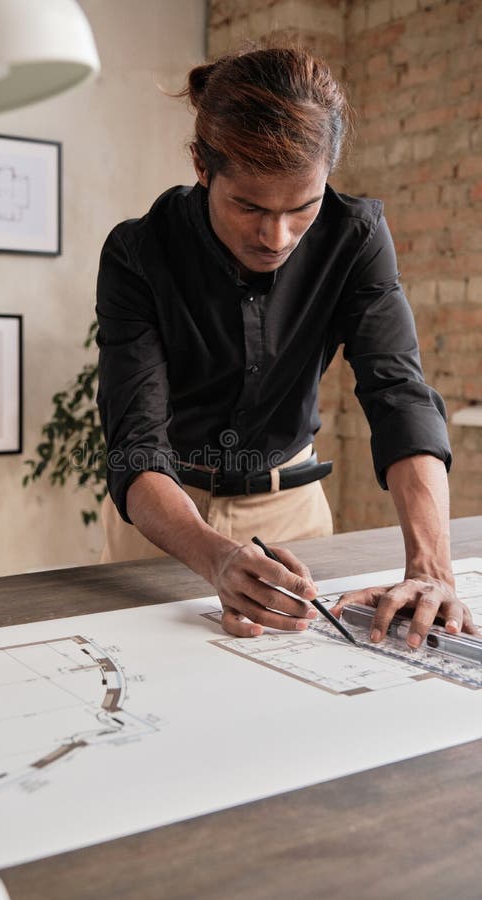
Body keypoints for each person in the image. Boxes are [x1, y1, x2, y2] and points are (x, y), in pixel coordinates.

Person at [96, 45, 476, 647]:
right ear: (201, 166)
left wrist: (431, 568)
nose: (277, 237)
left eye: (304, 207)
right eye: (248, 206)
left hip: (292, 512)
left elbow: (398, 394)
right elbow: (134, 445)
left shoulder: (355, 238)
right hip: (165, 518)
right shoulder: (139, 252)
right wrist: (214, 555)